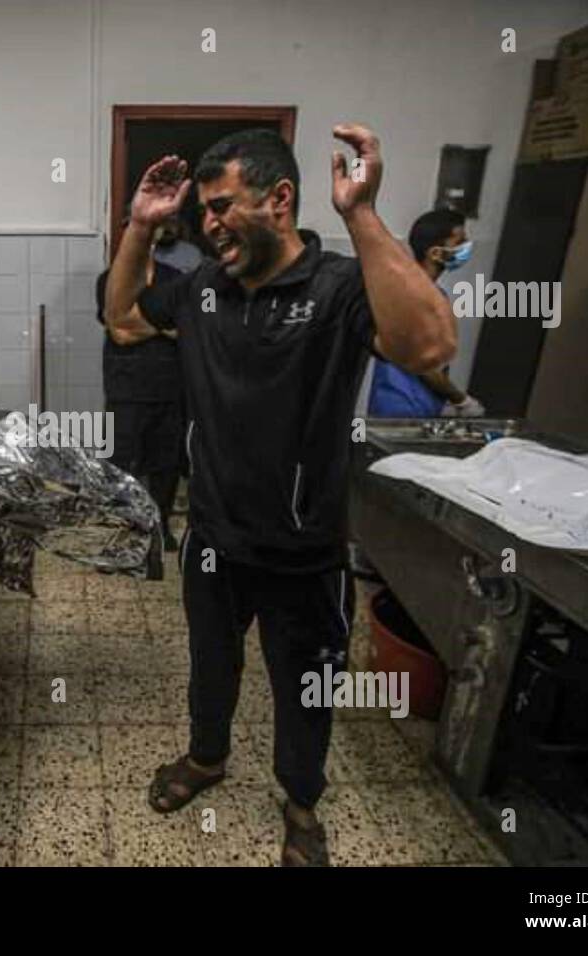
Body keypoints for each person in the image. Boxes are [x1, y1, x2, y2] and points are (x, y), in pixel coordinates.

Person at [104, 126, 456, 865]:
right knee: (210, 663)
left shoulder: (336, 286)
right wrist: (138, 227)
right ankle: (206, 758)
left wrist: (362, 215)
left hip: (305, 548)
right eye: (202, 211)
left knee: (307, 685)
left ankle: (301, 803)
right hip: (214, 538)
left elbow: (428, 347)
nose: (210, 224)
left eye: (224, 205)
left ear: (281, 199)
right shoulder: (204, 289)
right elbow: (124, 318)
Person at [96, 218, 190, 550]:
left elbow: (186, 329)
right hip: (125, 391)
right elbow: (120, 333)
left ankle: (160, 525)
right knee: (121, 464)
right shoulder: (109, 281)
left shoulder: (174, 280)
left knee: (166, 465)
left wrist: (141, 322)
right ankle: (125, 531)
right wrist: (160, 323)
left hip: (169, 388)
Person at [367, 208, 483, 417]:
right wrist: (461, 400)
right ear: (435, 253)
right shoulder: (412, 295)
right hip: (399, 410)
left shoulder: (433, 294)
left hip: (419, 407)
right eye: (459, 242)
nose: (466, 247)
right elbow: (425, 365)